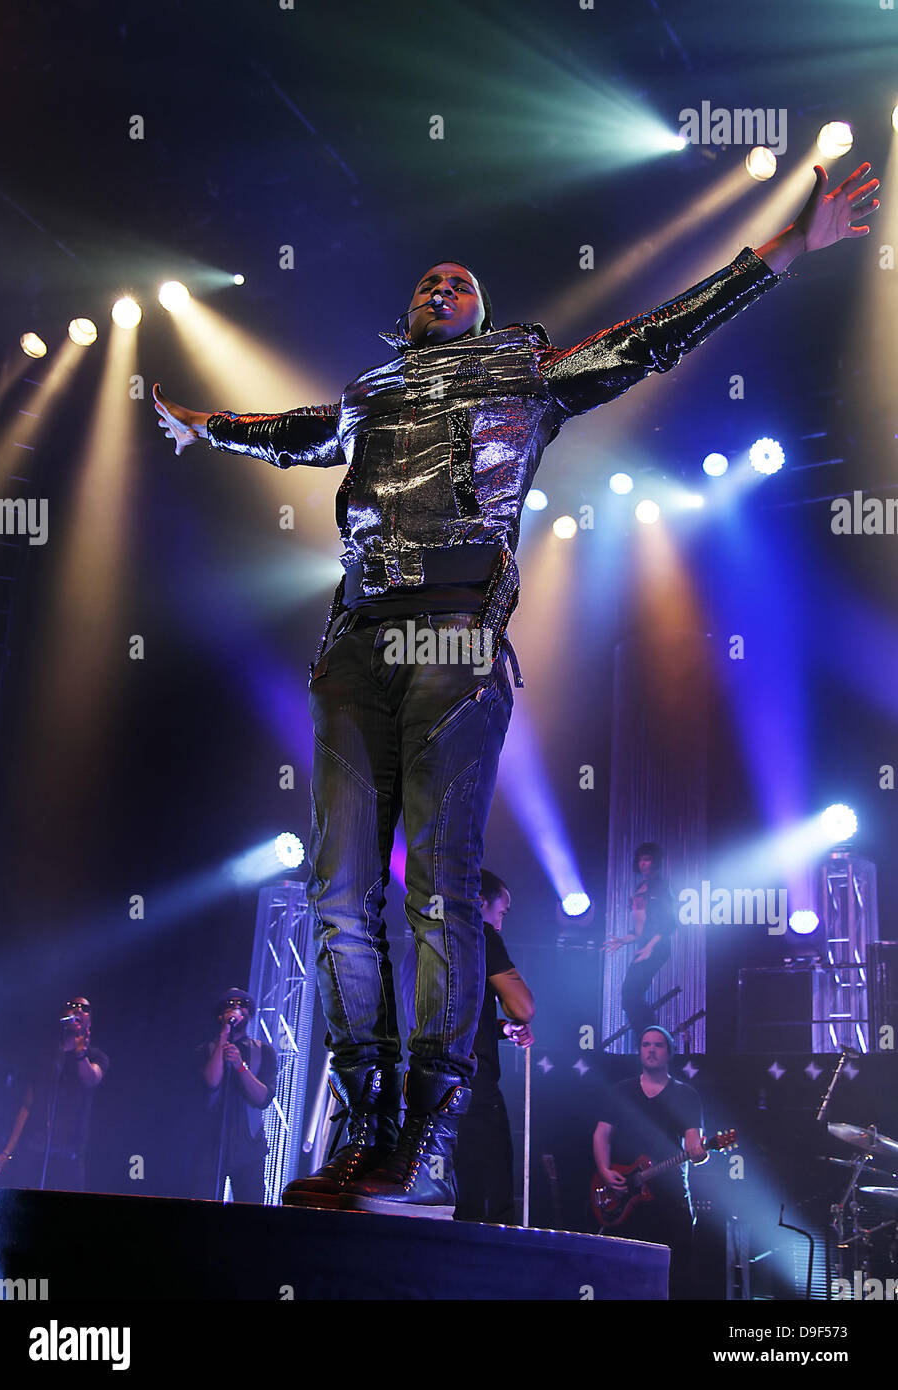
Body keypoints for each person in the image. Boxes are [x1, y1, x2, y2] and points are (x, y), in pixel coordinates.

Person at [153, 162, 879, 1217]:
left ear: (487, 312)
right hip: (357, 640)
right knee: (336, 891)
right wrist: (209, 424)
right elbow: (296, 428)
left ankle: (426, 1122)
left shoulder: (523, 378)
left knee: (437, 889)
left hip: (455, 637)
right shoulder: (375, 393)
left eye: (460, 281)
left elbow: (652, 335)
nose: (440, 287)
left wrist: (783, 250)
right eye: (427, 282)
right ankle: (362, 1117)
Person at [399, 868, 534, 1223]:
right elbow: (524, 1006)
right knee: (490, 1199)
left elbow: (445, 1015)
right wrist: (513, 1014)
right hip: (472, 1089)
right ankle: (489, 1273)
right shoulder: (479, 934)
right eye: (500, 913)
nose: (500, 924)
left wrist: (501, 1029)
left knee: (437, 1195)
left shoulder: (419, 939)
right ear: (479, 902)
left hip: (424, 1087)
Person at [593, 1026, 706, 1299]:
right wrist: (605, 1172)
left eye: (657, 1045)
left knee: (674, 1274)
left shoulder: (686, 1095)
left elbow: (694, 1141)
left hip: (670, 1198)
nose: (651, 1049)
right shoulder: (621, 1090)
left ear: (668, 1052)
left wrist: (700, 1152)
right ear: (639, 1050)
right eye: (645, 1044)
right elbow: (601, 1134)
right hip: (627, 1195)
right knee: (623, 1273)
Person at [0, 997, 108, 1192]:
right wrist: (7, 1153)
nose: (77, 1010)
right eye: (72, 1006)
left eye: (84, 1008)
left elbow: (91, 1078)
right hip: (34, 1152)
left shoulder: (95, 1056)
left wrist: (80, 1054)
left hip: (69, 1158)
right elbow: (27, 1105)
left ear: (90, 1021)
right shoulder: (45, 1056)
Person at [191, 988, 277, 1203]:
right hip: (210, 1146)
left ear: (250, 1013)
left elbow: (262, 1098)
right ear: (220, 1015)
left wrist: (240, 1066)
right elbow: (211, 1082)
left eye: (242, 1004)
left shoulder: (264, 1051)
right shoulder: (204, 1050)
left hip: (249, 1148)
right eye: (230, 1004)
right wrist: (223, 1038)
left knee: (249, 1214)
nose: (236, 1008)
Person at [602, 842, 677, 1046]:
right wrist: (623, 940)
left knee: (630, 994)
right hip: (645, 944)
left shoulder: (660, 885)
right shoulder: (640, 887)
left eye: (648, 859)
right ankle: (650, 1040)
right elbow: (639, 929)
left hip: (656, 945)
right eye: (641, 860)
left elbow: (670, 921)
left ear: (655, 861)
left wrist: (651, 946)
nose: (644, 864)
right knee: (630, 995)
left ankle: (652, 1040)